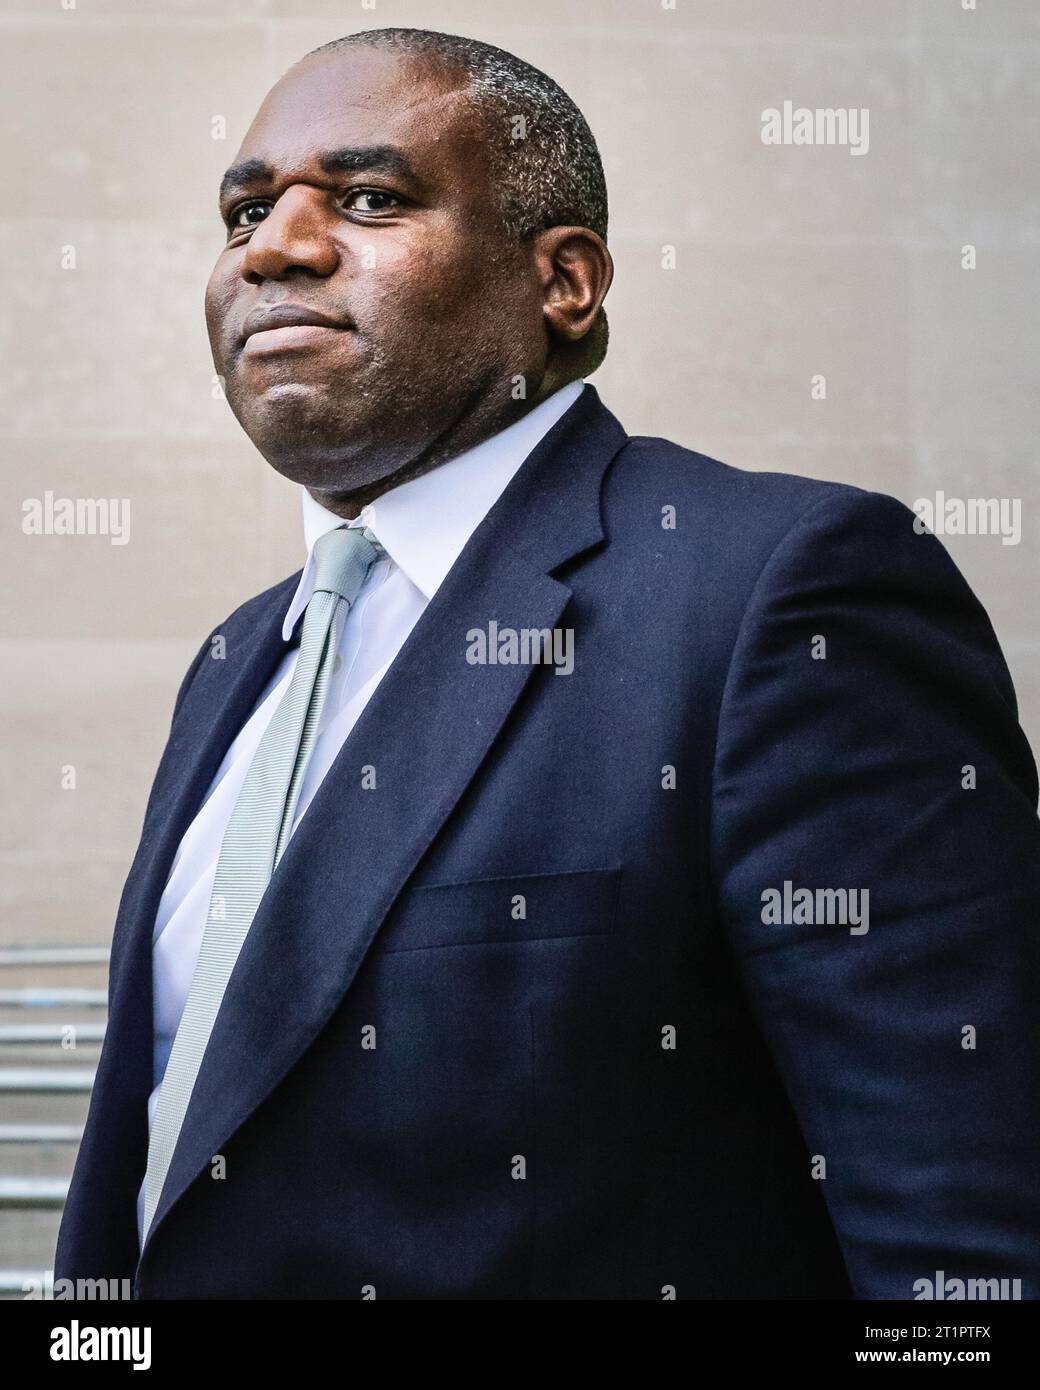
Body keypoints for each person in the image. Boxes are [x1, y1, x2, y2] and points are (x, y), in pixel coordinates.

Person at [56, 28, 1040, 1300]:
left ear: (563, 281)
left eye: (368, 199)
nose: (274, 248)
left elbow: (960, 1235)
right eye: (245, 210)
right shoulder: (241, 652)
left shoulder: (777, 593)